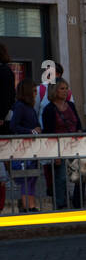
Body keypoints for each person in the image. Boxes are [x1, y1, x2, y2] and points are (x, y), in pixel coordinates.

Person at [41, 77, 83, 209]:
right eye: (62, 88)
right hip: (58, 148)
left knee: (79, 177)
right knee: (61, 179)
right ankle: (61, 206)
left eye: (66, 88)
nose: (65, 91)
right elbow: (48, 133)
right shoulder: (49, 109)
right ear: (54, 90)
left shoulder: (70, 105)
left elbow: (79, 124)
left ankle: (78, 205)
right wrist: (54, 154)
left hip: (74, 147)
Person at [9, 79, 41, 211]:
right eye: (33, 91)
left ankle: (31, 204)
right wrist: (31, 131)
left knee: (33, 177)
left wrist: (37, 129)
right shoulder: (20, 106)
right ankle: (28, 206)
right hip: (23, 148)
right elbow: (13, 126)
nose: (36, 94)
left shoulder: (30, 107)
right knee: (26, 177)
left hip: (32, 147)